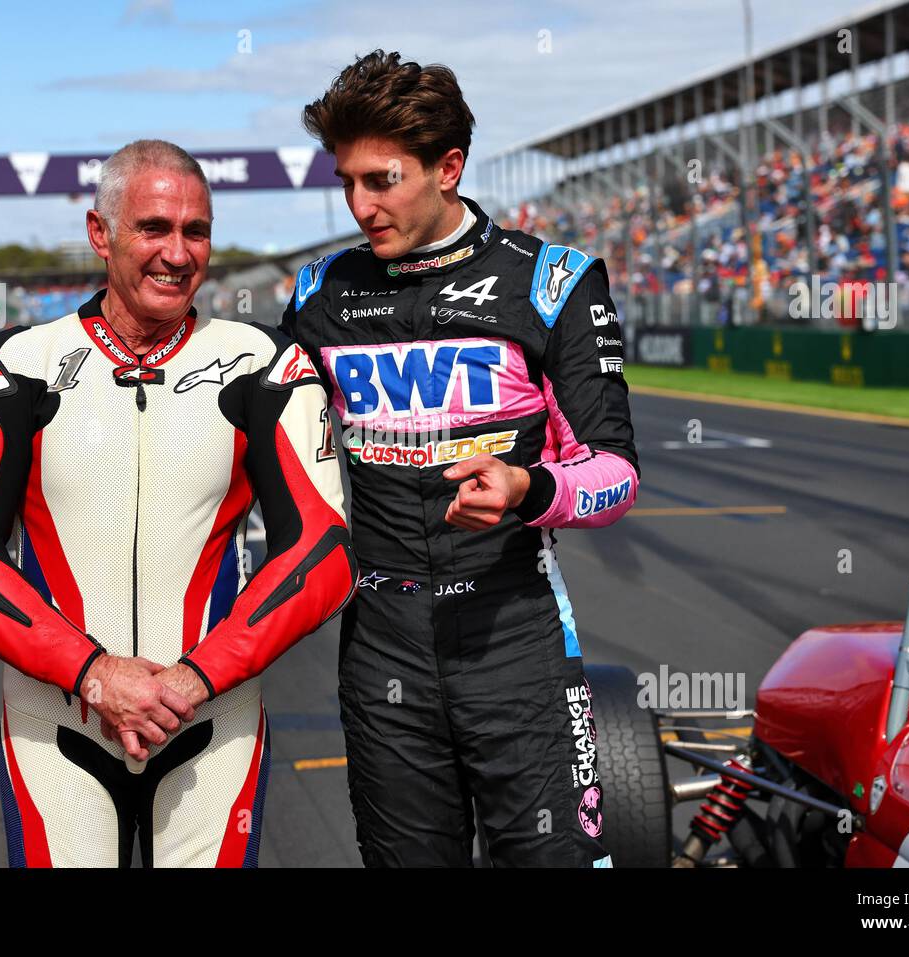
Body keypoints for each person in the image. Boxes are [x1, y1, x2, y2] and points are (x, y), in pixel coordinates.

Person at [0, 140, 356, 867]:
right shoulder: (10, 366)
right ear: (100, 233)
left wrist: (195, 677)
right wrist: (93, 673)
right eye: (154, 227)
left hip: (211, 718)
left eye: (197, 230)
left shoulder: (266, 361)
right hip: (56, 725)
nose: (178, 253)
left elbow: (326, 553)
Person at [282, 51, 639, 866]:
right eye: (346, 182)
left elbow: (615, 473)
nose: (360, 205)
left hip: (513, 633)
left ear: (449, 168)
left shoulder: (552, 283)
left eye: (382, 179)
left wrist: (528, 485)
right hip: (380, 640)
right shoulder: (316, 294)